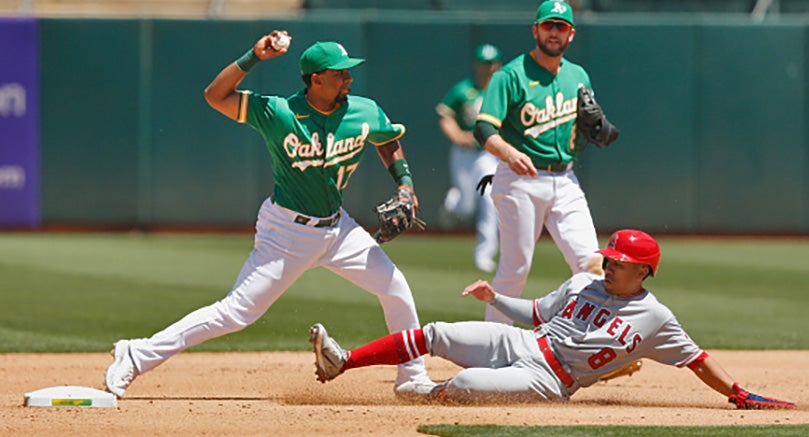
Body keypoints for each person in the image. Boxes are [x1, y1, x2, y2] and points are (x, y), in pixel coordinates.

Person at [104, 31, 434, 400]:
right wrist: (253, 57)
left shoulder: (364, 110)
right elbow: (215, 96)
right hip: (287, 233)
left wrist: (405, 184)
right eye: (340, 73)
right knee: (235, 313)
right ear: (316, 79)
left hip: (339, 229)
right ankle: (136, 353)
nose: (349, 79)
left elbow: (387, 138)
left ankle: (411, 375)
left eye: (348, 72)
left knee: (395, 287)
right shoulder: (279, 112)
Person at [309, 230, 797, 408]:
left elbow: (697, 359)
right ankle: (343, 361)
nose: (608, 265)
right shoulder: (585, 283)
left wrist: (738, 393)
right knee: (437, 334)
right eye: (608, 258)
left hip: (550, 380)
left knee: (469, 387)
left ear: (645, 271)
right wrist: (496, 298)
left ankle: (428, 395)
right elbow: (536, 313)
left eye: (619, 263)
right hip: (523, 343)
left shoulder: (656, 318)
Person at [474, 1, 617, 324]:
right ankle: (491, 344)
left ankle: (592, 339)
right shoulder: (510, 75)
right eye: (548, 26)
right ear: (535, 30)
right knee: (516, 268)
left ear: (571, 34)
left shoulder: (578, 75)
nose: (554, 32)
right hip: (518, 179)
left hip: (565, 180)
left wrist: (592, 130)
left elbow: (584, 128)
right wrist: (510, 153)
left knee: (591, 261)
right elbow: (483, 129)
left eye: (561, 27)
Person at [436, 44, 503, 273]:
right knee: (465, 207)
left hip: (487, 155)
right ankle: (452, 202)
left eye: (492, 64)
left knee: (489, 201)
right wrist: (456, 135)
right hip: (464, 154)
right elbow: (445, 116)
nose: (489, 68)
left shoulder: (500, 91)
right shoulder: (464, 90)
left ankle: (484, 255)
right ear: (477, 65)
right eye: (485, 64)